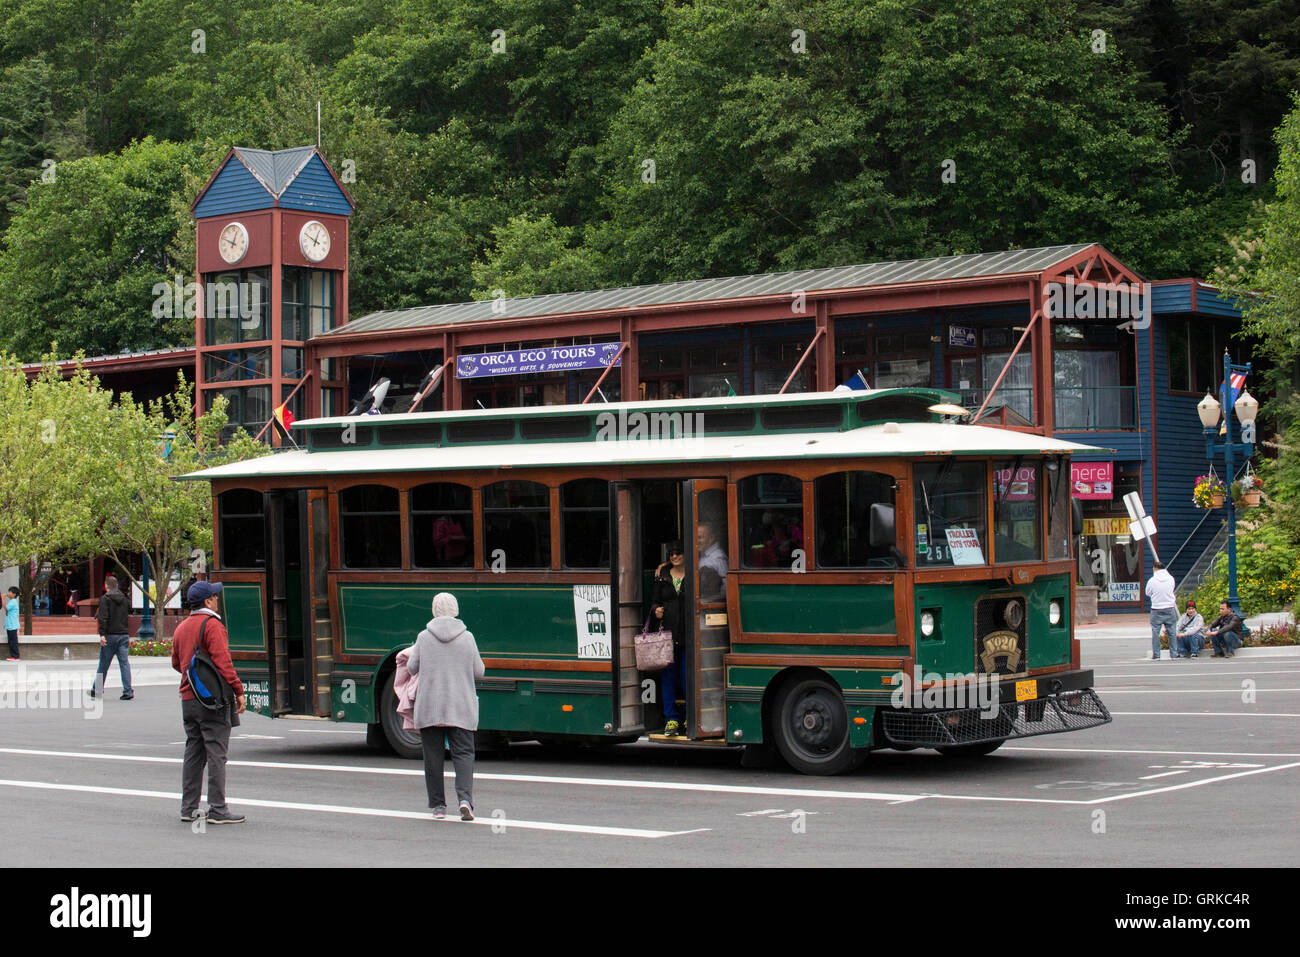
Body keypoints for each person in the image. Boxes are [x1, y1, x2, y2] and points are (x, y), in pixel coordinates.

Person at [170, 581, 246, 824]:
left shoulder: (181, 628)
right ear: (207, 601)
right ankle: (217, 809)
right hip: (212, 701)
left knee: (193, 752)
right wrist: (238, 690)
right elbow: (224, 663)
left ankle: (188, 808)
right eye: (215, 595)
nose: (217, 598)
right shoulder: (212, 625)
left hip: (188, 699)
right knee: (216, 754)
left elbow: (175, 662)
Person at [408, 592, 484, 821]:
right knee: (463, 754)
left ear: (434, 610)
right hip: (460, 706)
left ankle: (439, 806)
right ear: (455, 609)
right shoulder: (468, 637)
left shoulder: (423, 637)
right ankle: (465, 800)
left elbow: (412, 668)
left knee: (433, 757)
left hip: (430, 706)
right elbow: (479, 672)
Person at [651, 541, 689, 736]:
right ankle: (671, 720)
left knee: (687, 677)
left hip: (688, 635)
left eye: (678, 553)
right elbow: (654, 602)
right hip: (667, 634)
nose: (675, 556)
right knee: (668, 678)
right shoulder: (662, 576)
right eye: (671, 554)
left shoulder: (694, 573)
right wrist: (656, 610)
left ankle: (692, 717)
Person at [91, 576, 133, 699]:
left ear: (106, 586)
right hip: (123, 634)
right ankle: (128, 691)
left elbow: (103, 617)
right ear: (117, 585)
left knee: (103, 664)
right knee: (124, 664)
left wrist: (102, 634)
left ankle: (97, 690)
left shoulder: (105, 599)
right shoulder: (124, 599)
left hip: (110, 635)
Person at [1144, 561, 1179, 660]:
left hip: (1156, 608)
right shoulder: (1171, 579)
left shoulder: (1152, 580)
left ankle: (1156, 655)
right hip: (1169, 607)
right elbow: (1172, 589)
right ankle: (1174, 654)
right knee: (1172, 632)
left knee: (1155, 632)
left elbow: (1148, 592)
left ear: (1155, 568)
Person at [697, 520, 728, 600]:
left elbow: (726, 588)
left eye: (699, 537)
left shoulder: (718, 558)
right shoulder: (703, 553)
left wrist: (710, 601)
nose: (696, 541)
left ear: (711, 538)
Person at [5, 586, 19, 660]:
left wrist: (2, 599)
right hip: (10, 625)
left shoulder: (13, 601)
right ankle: (13, 656)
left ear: (14, 594)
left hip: (13, 625)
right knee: (11, 641)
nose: (8, 593)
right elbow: (7, 611)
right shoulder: (11, 601)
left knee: (13, 641)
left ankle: (15, 656)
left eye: (9, 592)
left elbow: (5, 608)